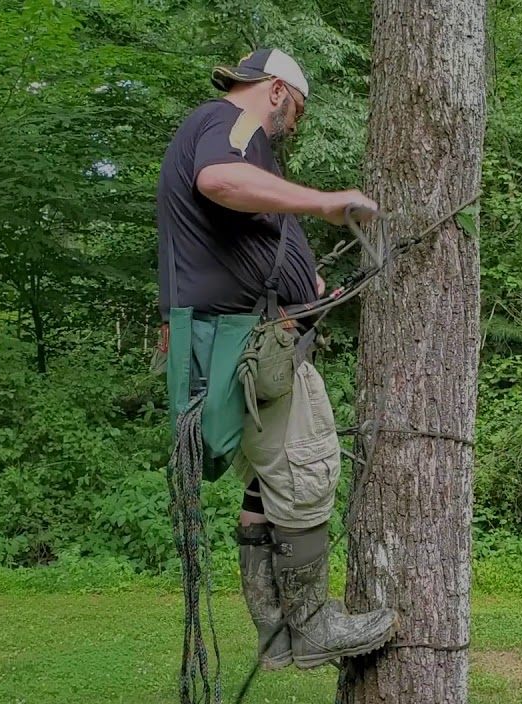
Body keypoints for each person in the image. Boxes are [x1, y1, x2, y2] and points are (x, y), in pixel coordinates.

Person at [154, 49, 397, 671]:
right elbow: (218, 181)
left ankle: (276, 635)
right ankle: (310, 627)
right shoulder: (233, 125)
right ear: (278, 92)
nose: (295, 127)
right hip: (243, 342)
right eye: (299, 112)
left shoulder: (235, 138)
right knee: (307, 469)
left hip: (240, 340)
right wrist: (322, 202)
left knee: (269, 482)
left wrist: (301, 280)